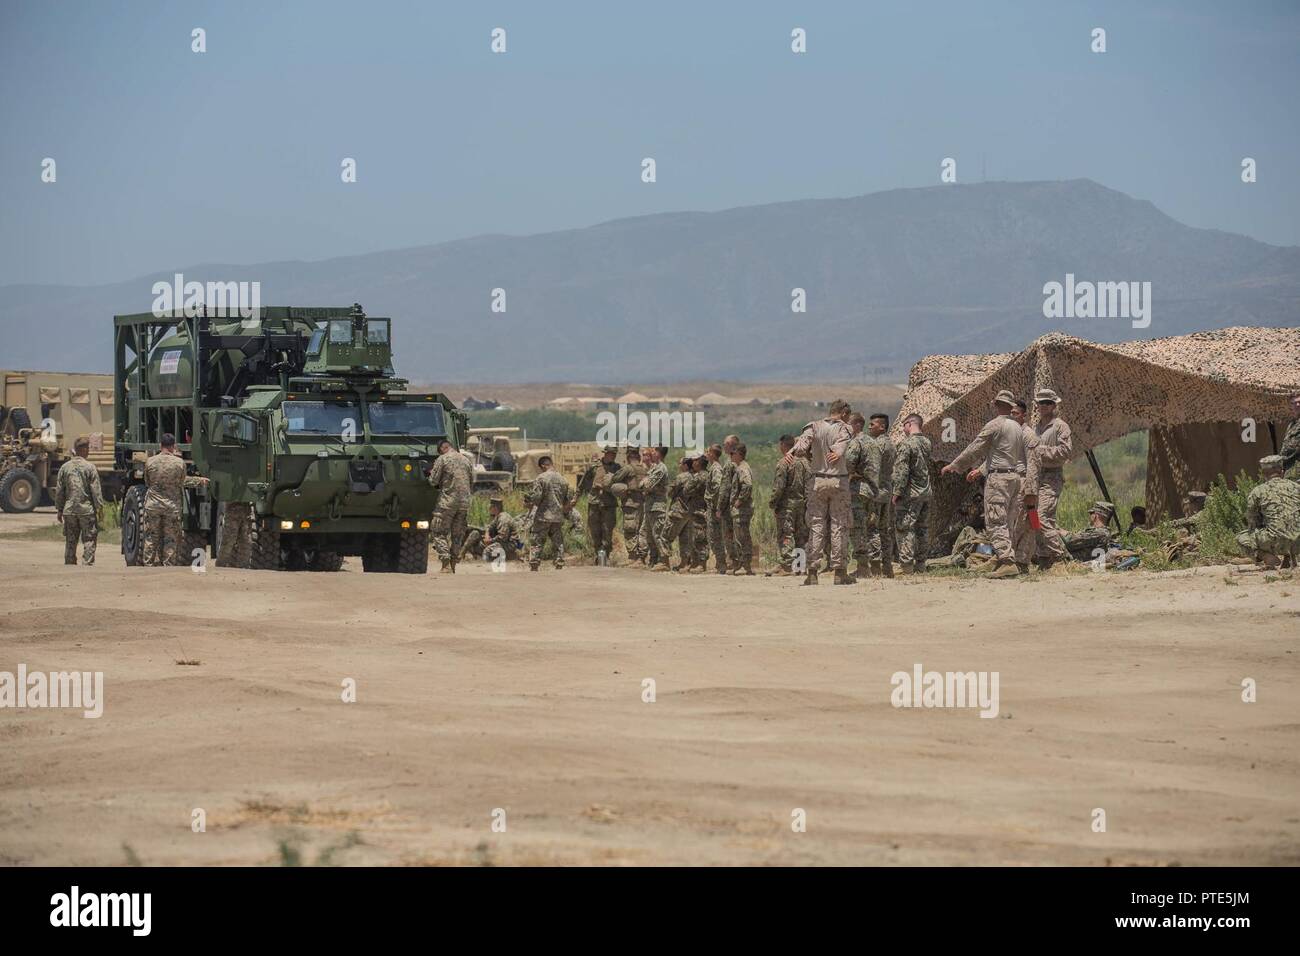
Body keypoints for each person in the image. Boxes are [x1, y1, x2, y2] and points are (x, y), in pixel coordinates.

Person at [941, 390, 1034, 579]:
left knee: (995, 521)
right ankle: (1005, 559)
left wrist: (955, 465)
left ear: (997, 404)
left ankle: (1007, 561)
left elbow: (976, 448)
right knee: (1008, 521)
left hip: (999, 479)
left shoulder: (995, 425)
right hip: (1014, 478)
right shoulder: (1018, 427)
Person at [788, 399, 854, 585]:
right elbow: (842, 444)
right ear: (843, 413)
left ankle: (812, 572)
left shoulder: (814, 426)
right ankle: (840, 572)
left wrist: (792, 452)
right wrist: (838, 451)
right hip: (837, 480)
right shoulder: (844, 428)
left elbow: (801, 447)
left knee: (816, 525)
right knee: (839, 525)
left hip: (817, 480)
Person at [141, 432, 209, 566]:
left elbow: (147, 482)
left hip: (153, 505)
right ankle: (168, 566)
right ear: (173, 446)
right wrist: (200, 481)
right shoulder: (179, 463)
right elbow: (183, 481)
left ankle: (147, 565)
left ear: (160, 445)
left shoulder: (150, 461)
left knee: (151, 537)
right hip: (171, 507)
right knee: (170, 539)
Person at [1028, 388, 1073, 569]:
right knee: (1034, 517)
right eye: (1041, 403)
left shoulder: (1060, 426)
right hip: (1037, 476)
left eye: (1048, 403)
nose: (1044, 406)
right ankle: (1044, 557)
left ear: (1054, 405)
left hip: (1052, 476)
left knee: (1040, 515)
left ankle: (1060, 556)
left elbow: (1065, 452)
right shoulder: (1035, 427)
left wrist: (1041, 452)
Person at [1235, 455, 1300, 568]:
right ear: (1282, 472)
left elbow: (1251, 521)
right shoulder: (1296, 487)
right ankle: (1289, 558)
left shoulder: (1258, 491)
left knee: (1242, 537)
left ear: (1264, 474)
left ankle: (1267, 557)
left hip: (1275, 542)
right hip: (1298, 542)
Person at [54, 435, 104, 566]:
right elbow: (96, 490)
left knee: (70, 540)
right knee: (89, 539)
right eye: (87, 448)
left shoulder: (65, 468)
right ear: (81, 449)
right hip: (86, 510)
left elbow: (59, 490)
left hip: (69, 510)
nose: (88, 451)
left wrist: (59, 510)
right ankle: (86, 566)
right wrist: (99, 508)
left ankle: (70, 566)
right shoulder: (90, 467)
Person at [892, 413, 933, 574]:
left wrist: (896, 492)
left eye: (904, 425)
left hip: (910, 493)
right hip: (925, 491)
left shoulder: (906, 444)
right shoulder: (927, 442)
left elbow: (902, 471)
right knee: (922, 528)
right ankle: (921, 564)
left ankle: (906, 565)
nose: (903, 429)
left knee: (904, 527)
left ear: (909, 424)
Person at [427, 438, 474, 572]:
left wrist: (429, 474)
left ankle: (446, 563)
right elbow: (471, 483)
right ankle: (453, 563)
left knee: (438, 531)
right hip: (464, 503)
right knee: (457, 534)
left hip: (447, 503)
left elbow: (433, 481)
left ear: (442, 449)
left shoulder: (442, 459)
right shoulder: (466, 460)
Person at [769, 434, 809, 576]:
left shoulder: (783, 463)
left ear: (783, 446)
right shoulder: (804, 462)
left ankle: (786, 565)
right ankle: (800, 566)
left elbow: (779, 487)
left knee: (786, 534)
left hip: (787, 506)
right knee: (801, 536)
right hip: (802, 504)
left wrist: (773, 503)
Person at [862, 413, 896, 578]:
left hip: (875, 492)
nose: (869, 427)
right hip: (886, 490)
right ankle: (887, 566)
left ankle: (875, 566)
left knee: (873, 528)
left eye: (872, 425)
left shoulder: (876, 445)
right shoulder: (890, 444)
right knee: (884, 530)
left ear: (882, 427)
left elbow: (872, 470)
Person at [526, 455, 573, 570]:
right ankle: (559, 562)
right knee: (558, 541)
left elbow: (536, 498)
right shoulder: (563, 479)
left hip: (543, 516)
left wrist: (529, 502)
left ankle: (534, 564)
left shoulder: (541, 478)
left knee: (537, 540)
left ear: (543, 466)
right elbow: (568, 500)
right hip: (558, 516)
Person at [578, 445, 620, 560]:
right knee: (595, 531)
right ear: (605, 454)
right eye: (611, 454)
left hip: (609, 504)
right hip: (594, 503)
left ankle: (605, 556)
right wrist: (575, 498)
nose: (613, 456)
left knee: (607, 531)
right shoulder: (594, 466)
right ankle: (598, 554)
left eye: (615, 454)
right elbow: (582, 484)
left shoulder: (617, 468)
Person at [843, 413, 871, 578]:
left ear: (857, 425)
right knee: (871, 528)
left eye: (849, 425)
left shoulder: (856, 442)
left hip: (857, 490)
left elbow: (848, 464)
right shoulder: (872, 442)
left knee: (857, 529)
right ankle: (874, 564)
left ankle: (862, 567)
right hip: (872, 490)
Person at [609, 447, 647, 564]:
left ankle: (633, 557)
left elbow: (615, 478)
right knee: (641, 531)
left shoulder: (628, 468)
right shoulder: (644, 469)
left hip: (631, 503)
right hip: (642, 503)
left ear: (628, 456)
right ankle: (642, 558)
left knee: (630, 530)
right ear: (639, 457)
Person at [659, 453, 696, 572]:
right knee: (685, 539)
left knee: (665, 536)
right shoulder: (695, 476)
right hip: (689, 513)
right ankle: (684, 564)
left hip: (677, 512)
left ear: (685, 465)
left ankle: (664, 562)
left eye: (680, 463)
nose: (679, 465)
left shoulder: (681, 477)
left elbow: (669, 492)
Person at [638, 446, 669, 569]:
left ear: (659, 453)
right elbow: (644, 485)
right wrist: (644, 483)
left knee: (658, 534)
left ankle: (664, 561)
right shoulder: (655, 468)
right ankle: (653, 559)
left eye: (654, 451)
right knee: (648, 535)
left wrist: (645, 482)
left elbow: (647, 485)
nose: (652, 453)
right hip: (650, 506)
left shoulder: (661, 468)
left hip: (657, 506)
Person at [729, 442, 755, 575]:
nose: (730, 455)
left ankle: (744, 565)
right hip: (743, 509)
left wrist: (739, 501)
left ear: (739, 454)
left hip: (742, 510)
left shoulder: (742, 468)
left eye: (732, 453)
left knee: (741, 537)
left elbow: (747, 485)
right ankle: (745, 565)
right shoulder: (741, 467)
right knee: (742, 536)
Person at [715, 434, 741, 571]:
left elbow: (725, 488)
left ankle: (735, 560)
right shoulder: (738, 462)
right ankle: (736, 560)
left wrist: (719, 507)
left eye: (725, 443)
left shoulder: (730, 464)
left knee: (729, 534)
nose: (723, 445)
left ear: (732, 445)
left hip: (729, 506)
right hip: (735, 504)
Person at [704, 444, 727, 573]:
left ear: (713, 454)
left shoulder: (716, 469)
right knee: (714, 536)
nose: (706, 454)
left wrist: (715, 503)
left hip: (714, 508)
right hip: (713, 507)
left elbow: (718, 487)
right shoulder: (712, 468)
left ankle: (721, 564)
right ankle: (720, 563)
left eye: (708, 451)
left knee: (716, 536)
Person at [482, 497, 524, 563]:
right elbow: (489, 527)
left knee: (487, 551)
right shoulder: (498, 516)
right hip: (504, 542)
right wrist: (487, 535)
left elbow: (502, 537)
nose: (489, 509)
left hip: (510, 544)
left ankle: (485, 567)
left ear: (495, 508)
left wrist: (489, 541)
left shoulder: (503, 519)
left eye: (490, 507)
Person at [688, 453, 710, 572]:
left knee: (700, 536)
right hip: (701, 509)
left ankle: (701, 564)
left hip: (699, 509)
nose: (693, 463)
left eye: (695, 461)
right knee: (698, 536)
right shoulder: (707, 474)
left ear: (699, 462)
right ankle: (697, 562)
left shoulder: (699, 476)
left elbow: (686, 490)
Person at [1280, 392, 1300, 480]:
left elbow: (1293, 448)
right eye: (1293, 403)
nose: (1297, 405)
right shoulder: (1292, 424)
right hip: (1290, 470)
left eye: (1299, 402)